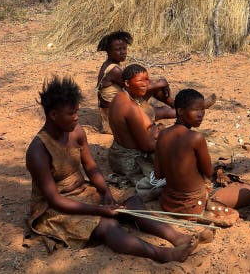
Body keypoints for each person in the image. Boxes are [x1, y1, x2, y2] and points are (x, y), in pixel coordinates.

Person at [26, 76, 207, 262]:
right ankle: (162, 254)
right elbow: (55, 200)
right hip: (55, 209)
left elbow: (90, 167)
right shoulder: (38, 151)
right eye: (71, 113)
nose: (76, 117)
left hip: (84, 192)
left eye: (77, 111)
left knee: (132, 203)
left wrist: (105, 193)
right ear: (53, 115)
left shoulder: (76, 131)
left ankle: (176, 237)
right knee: (107, 225)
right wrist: (100, 211)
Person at [155, 89, 250, 227]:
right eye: (196, 110)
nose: (201, 115)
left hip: (169, 202)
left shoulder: (163, 135)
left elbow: (158, 175)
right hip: (194, 204)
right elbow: (208, 172)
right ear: (180, 111)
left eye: (203, 110)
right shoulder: (195, 138)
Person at [108, 64, 166, 200]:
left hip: (116, 153)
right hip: (130, 161)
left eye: (147, 80)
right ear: (127, 83)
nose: (145, 84)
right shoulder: (130, 107)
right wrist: (162, 139)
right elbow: (147, 146)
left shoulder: (119, 98)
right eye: (140, 81)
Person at [96, 31, 132, 134]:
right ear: (109, 52)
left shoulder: (110, 64)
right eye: (118, 49)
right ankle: (177, 108)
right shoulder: (114, 70)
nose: (123, 52)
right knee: (162, 111)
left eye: (124, 48)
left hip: (113, 111)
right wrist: (161, 83)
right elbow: (133, 88)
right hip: (114, 118)